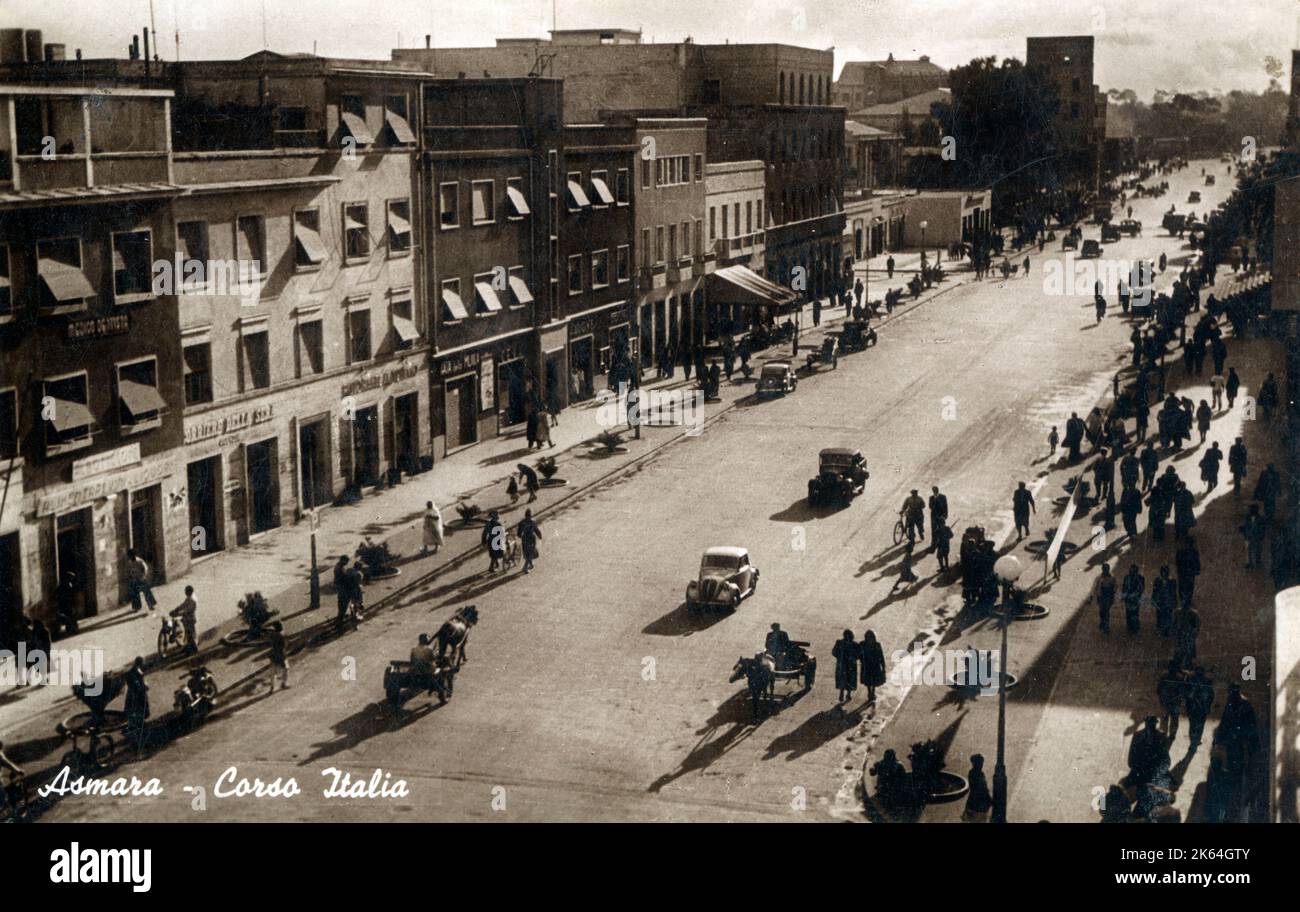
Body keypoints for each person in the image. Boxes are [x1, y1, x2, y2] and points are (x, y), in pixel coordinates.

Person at [1126, 716, 1170, 788]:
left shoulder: (1161, 737)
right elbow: (1131, 758)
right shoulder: (1137, 735)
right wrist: (1137, 770)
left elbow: (1166, 759)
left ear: (1155, 725)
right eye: (1149, 724)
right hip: (1139, 771)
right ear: (1145, 724)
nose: (1150, 726)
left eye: (1152, 724)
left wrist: (1159, 772)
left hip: (1155, 772)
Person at [1184, 667, 1214, 748]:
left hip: (1197, 707)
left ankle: (1194, 739)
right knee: (1198, 724)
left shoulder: (1192, 680)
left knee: (1194, 724)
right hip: (1198, 707)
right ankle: (1195, 739)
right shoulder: (1205, 681)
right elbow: (1211, 695)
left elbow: (1211, 695)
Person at [123, 656, 149, 748]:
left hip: (134, 696)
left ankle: (136, 734)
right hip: (137, 697)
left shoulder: (132, 672)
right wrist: (144, 687)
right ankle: (138, 738)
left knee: (136, 717)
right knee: (139, 716)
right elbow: (137, 687)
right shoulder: (135, 673)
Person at [1156, 660, 1184, 739]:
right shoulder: (1179, 677)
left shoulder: (1164, 676)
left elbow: (1159, 689)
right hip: (1174, 702)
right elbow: (1182, 691)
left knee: (1166, 719)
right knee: (1173, 719)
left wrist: (1161, 698)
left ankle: (1164, 734)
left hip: (1167, 701)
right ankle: (1171, 734)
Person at [125, 549, 157, 616]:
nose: (131, 557)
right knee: (134, 593)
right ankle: (137, 607)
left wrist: (143, 576)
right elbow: (128, 571)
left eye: (132, 555)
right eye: (130, 556)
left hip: (141, 579)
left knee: (147, 592)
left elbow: (145, 568)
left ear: (134, 555)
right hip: (134, 580)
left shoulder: (139, 561)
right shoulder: (129, 563)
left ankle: (151, 605)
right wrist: (130, 578)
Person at [962, 754, 993, 822]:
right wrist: (990, 799)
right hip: (979, 804)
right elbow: (982, 789)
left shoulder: (974, 773)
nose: (981, 765)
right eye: (980, 763)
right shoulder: (977, 774)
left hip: (974, 803)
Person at [859, 630, 886, 703]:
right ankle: (871, 692)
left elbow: (881, 656)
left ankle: (871, 692)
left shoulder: (863, 644)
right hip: (872, 665)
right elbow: (881, 656)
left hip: (869, 665)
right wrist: (883, 666)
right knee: (870, 680)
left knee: (870, 680)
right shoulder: (876, 644)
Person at [832, 629, 858, 703]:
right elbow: (834, 652)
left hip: (846, 665)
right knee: (846, 680)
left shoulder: (841, 643)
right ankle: (844, 694)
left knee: (846, 679)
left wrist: (840, 657)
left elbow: (834, 652)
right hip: (846, 665)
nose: (847, 637)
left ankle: (844, 694)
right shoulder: (853, 644)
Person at [171, 585, 199, 655]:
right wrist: (176, 609)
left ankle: (194, 648)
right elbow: (183, 605)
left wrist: (178, 613)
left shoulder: (192, 600)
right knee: (188, 634)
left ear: (189, 592)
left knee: (191, 634)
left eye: (186, 591)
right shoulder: (189, 598)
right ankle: (189, 647)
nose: (185, 592)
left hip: (190, 619)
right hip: (187, 619)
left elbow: (187, 610)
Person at [1175, 537, 1201, 609]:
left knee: (1182, 586)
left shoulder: (1180, 552)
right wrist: (1197, 571)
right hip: (1190, 573)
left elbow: (1177, 563)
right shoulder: (1194, 552)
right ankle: (1187, 601)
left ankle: (1183, 600)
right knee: (1189, 586)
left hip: (1182, 573)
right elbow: (1197, 563)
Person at [1092, 563, 1117, 633]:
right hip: (1101, 596)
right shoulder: (1099, 578)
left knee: (1106, 611)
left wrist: (1113, 594)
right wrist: (1092, 596)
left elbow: (1115, 586)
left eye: (1106, 569)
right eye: (1104, 569)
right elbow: (1095, 587)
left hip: (1108, 596)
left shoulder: (1112, 578)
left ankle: (1106, 626)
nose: (1105, 571)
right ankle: (1102, 622)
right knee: (1101, 611)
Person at [517, 509, 543, 574]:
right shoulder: (532, 522)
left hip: (525, 539)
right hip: (531, 539)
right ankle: (525, 567)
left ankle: (530, 564)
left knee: (527, 552)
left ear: (525, 515)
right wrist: (540, 536)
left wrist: (520, 535)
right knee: (531, 553)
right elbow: (536, 530)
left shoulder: (522, 523)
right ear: (530, 516)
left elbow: (519, 533)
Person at [1122, 563, 1145, 634]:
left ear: (1136, 572)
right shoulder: (1126, 577)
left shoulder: (1140, 578)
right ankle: (1129, 627)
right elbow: (1124, 587)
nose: (1131, 573)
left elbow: (1141, 588)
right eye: (1130, 571)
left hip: (1135, 598)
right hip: (1128, 598)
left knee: (1135, 613)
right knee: (1128, 613)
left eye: (1133, 572)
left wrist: (1135, 595)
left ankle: (1135, 628)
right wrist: (1124, 595)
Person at [266, 621, 289, 692]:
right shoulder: (282, 635)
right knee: (285, 668)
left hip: (273, 654)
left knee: (273, 671)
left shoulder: (272, 635)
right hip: (281, 654)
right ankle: (283, 684)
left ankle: (272, 687)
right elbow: (284, 645)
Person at [1242, 504, 1266, 569]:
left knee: (1258, 550)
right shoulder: (1247, 517)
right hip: (1249, 536)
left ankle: (1257, 561)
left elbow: (1263, 528)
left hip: (1257, 537)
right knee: (1248, 550)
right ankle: (1249, 563)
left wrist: (1262, 536)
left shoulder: (1261, 519)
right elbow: (1245, 526)